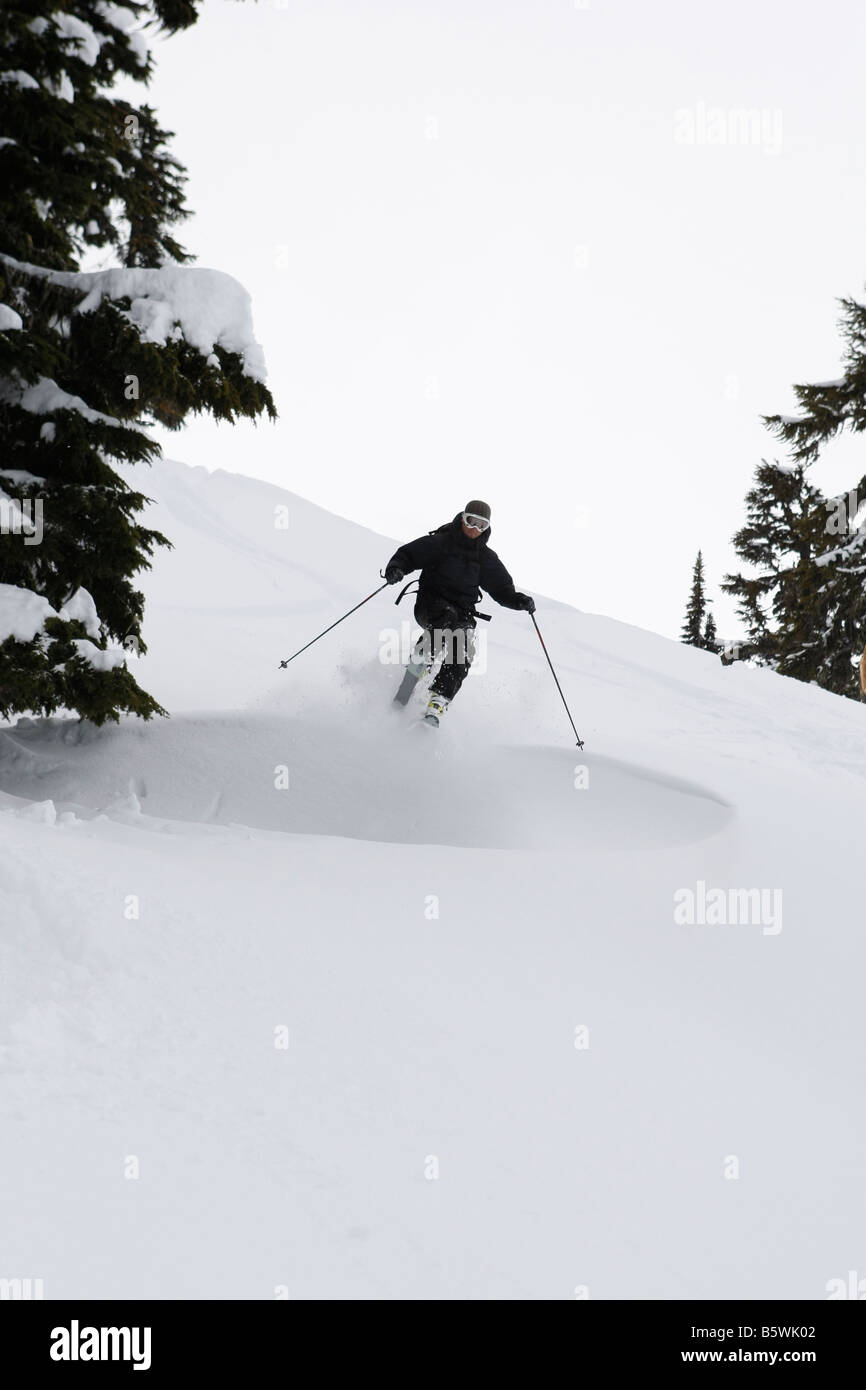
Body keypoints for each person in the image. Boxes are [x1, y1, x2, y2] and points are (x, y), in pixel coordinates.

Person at [383, 500, 535, 726]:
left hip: (462, 613)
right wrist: (396, 569)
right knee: (445, 622)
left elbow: (501, 589)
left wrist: (518, 600)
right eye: (471, 521)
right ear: (463, 518)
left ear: (487, 528)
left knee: (464, 642)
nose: (474, 529)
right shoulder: (441, 543)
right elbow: (408, 555)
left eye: (481, 525)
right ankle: (417, 668)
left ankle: (439, 700)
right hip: (430, 604)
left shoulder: (485, 558)